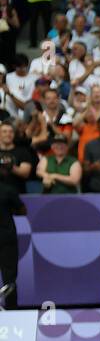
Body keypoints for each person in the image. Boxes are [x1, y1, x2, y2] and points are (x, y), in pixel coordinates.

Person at [0, 121, 33, 309]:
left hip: (5, 233)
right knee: (9, 274)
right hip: (6, 234)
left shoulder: (21, 151)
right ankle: (11, 310)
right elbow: (22, 210)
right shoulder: (8, 191)